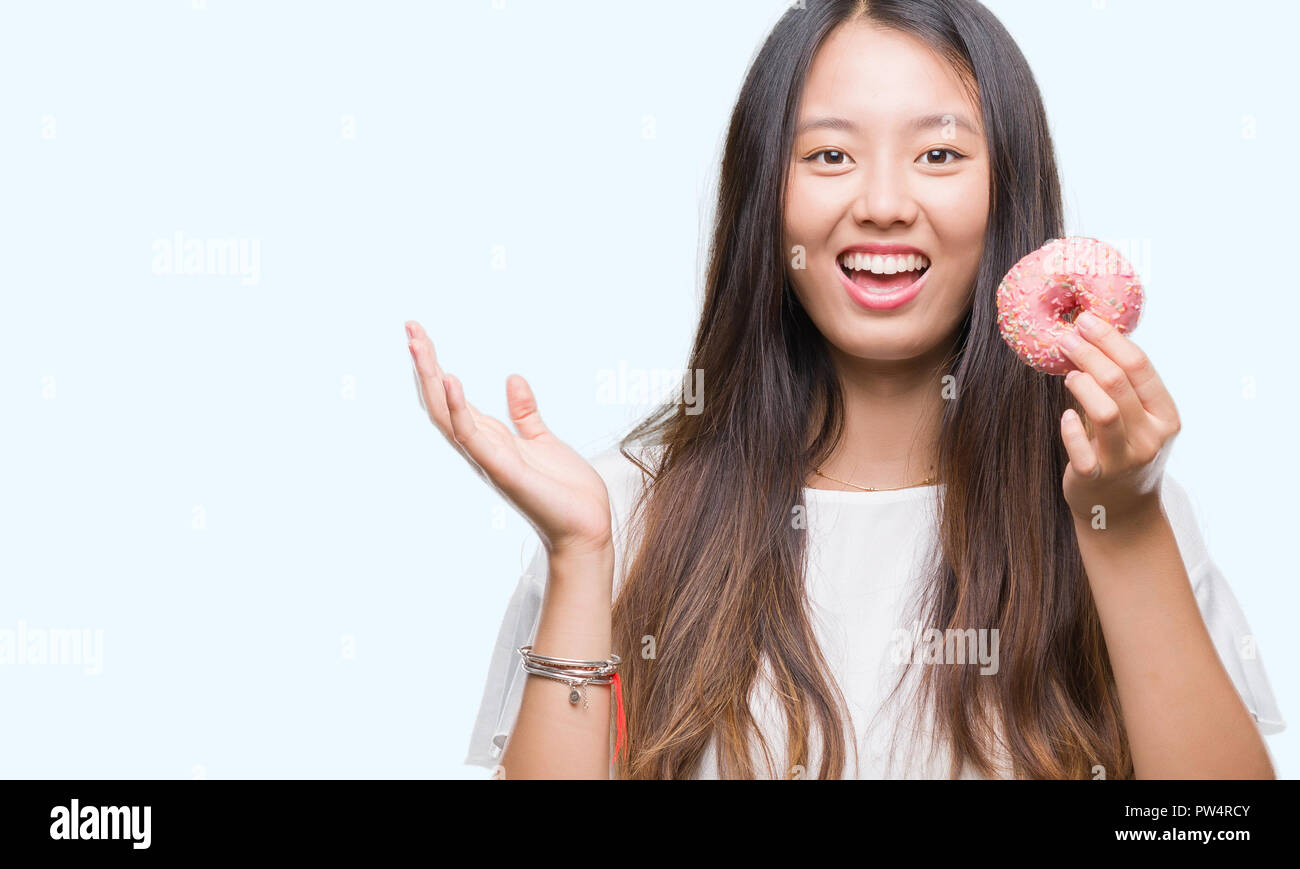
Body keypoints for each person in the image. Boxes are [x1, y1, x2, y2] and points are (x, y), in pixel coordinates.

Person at [408, 0, 1285, 779]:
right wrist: (577, 557)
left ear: (1007, 193)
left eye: (939, 153)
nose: (883, 202)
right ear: (767, 196)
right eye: (830, 154)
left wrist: (1124, 524)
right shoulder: (621, 510)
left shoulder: (1111, 504)